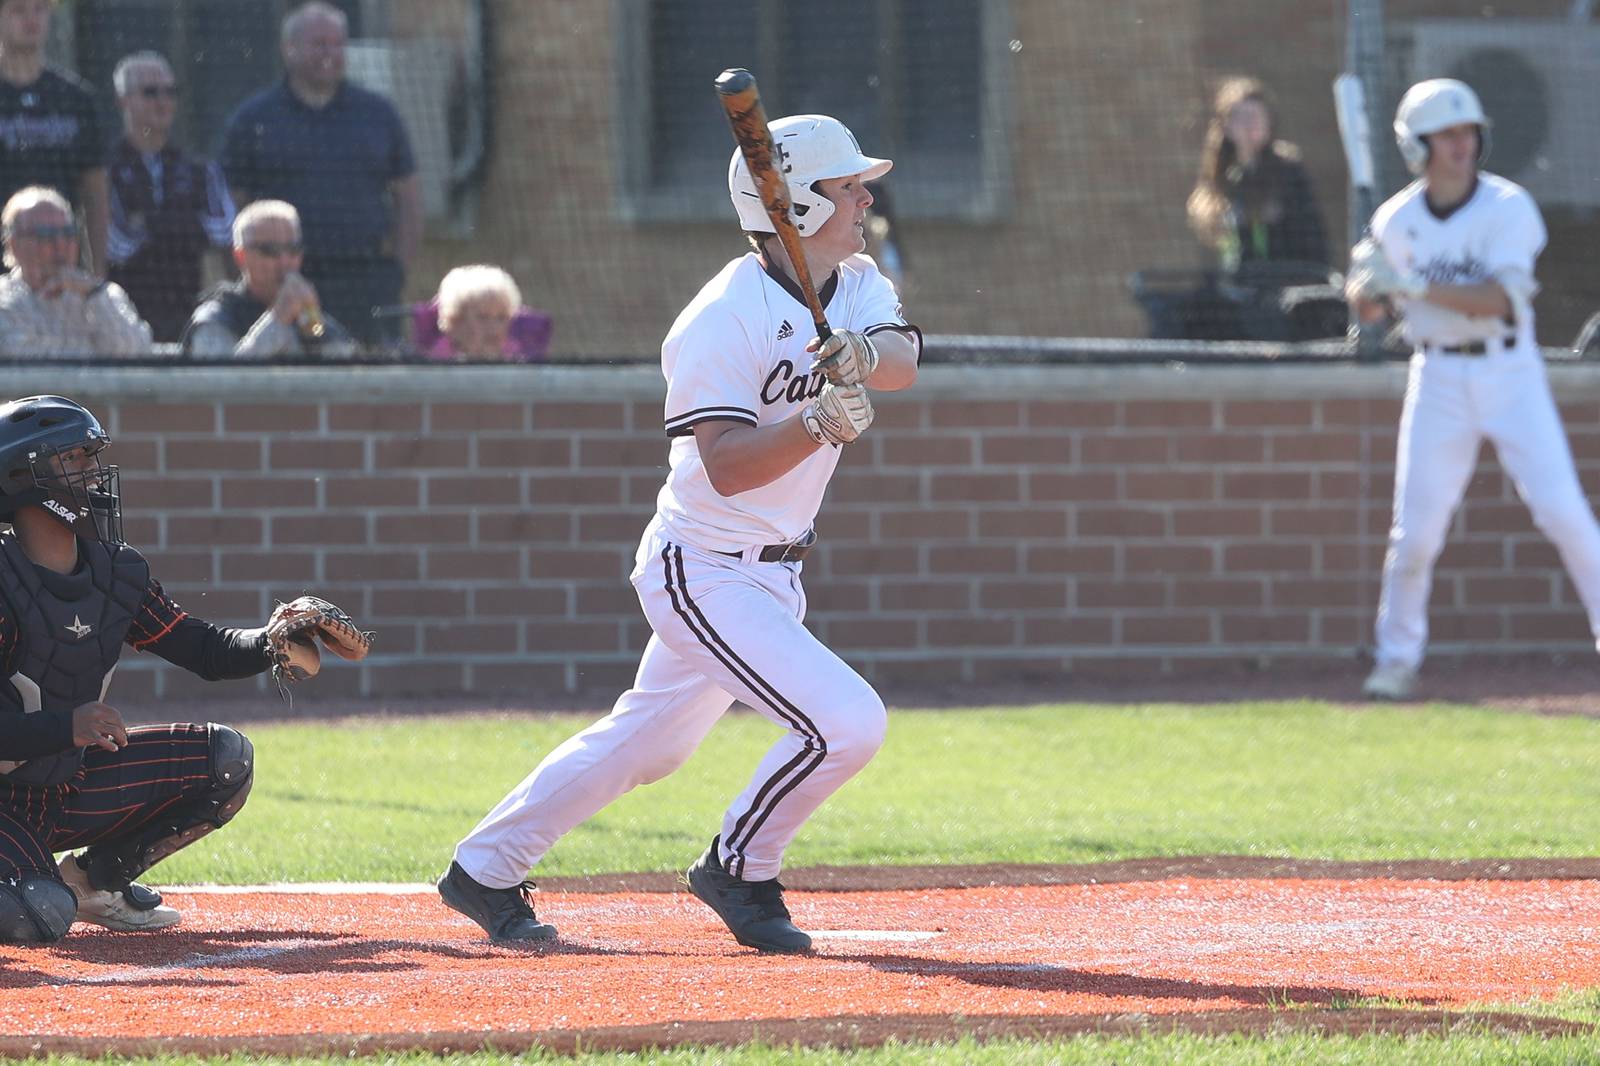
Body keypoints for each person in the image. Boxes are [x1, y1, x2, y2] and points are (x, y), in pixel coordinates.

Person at [438, 114, 921, 953]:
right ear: (796, 207)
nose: (865, 197)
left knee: (648, 744)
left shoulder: (855, 281)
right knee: (848, 721)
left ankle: (482, 868)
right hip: (701, 566)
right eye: (847, 188)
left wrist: (859, 355)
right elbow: (728, 464)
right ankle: (739, 866)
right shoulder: (718, 318)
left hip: (773, 569)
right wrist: (816, 422)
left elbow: (905, 354)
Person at [1348, 79, 1600, 700]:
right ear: (1417, 145)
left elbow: (1501, 305)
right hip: (1435, 376)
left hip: (1509, 374)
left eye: (1466, 133)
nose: (1460, 145)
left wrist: (1408, 287)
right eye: (1445, 135)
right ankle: (1397, 659)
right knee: (1416, 534)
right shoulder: (1396, 220)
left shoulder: (1508, 208)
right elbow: (1370, 314)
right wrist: (1369, 283)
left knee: (1564, 513)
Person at [0, 395, 262, 942]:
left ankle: (94, 882)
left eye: (91, 457)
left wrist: (274, 642)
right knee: (38, 914)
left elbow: (203, 649)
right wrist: (65, 725)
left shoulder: (116, 570)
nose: (93, 474)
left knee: (227, 761)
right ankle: (40, 886)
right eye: (73, 460)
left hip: (65, 784)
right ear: (20, 477)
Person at [219, 1, 420, 349]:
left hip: (365, 284)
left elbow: (409, 197)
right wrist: (249, 281)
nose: (331, 53)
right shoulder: (253, 119)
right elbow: (229, 207)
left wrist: (396, 272)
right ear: (289, 49)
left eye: (338, 44)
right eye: (319, 44)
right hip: (286, 286)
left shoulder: (378, 114)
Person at [106, 51, 235, 343]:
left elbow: (225, 235)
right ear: (122, 100)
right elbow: (117, 246)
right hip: (123, 320)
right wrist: (185, 223)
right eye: (150, 92)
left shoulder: (201, 170)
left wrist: (150, 223)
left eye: (170, 92)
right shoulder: (103, 171)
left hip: (190, 313)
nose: (163, 101)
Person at [0, 0, 108, 273]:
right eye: (19, 10)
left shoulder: (75, 99)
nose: (31, 19)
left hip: (61, 268)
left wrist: (98, 274)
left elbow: (95, 193)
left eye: (39, 9)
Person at [180, 199, 356, 359]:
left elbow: (350, 380)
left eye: (293, 249)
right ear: (241, 257)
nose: (284, 261)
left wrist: (314, 333)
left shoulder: (307, 314)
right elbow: (222, 385)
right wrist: (277, 319)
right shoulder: (215, 318)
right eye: (270, 251)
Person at [1187, 77, 1328, 274]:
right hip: (1244, 286)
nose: (1250, 125)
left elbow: (1312, 240)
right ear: (1226, 127)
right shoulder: (1227, 178)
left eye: (1256, 116)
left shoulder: (1288, 171)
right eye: (1242, 117)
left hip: (1287, 281)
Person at [0, 186, 151, 358]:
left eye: (68, 233)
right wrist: (95, 355)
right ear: (15, 245)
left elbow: (138, 352)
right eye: (46, 235)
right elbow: (25, 360)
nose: (60, 244)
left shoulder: (102, 294)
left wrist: (94, 295)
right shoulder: (4, 299)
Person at [418, 264, 550, 362]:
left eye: (502, 317)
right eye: (483, 317)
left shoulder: (516, 356)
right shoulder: (438, 359)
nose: (493, 327)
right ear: (456, 321)